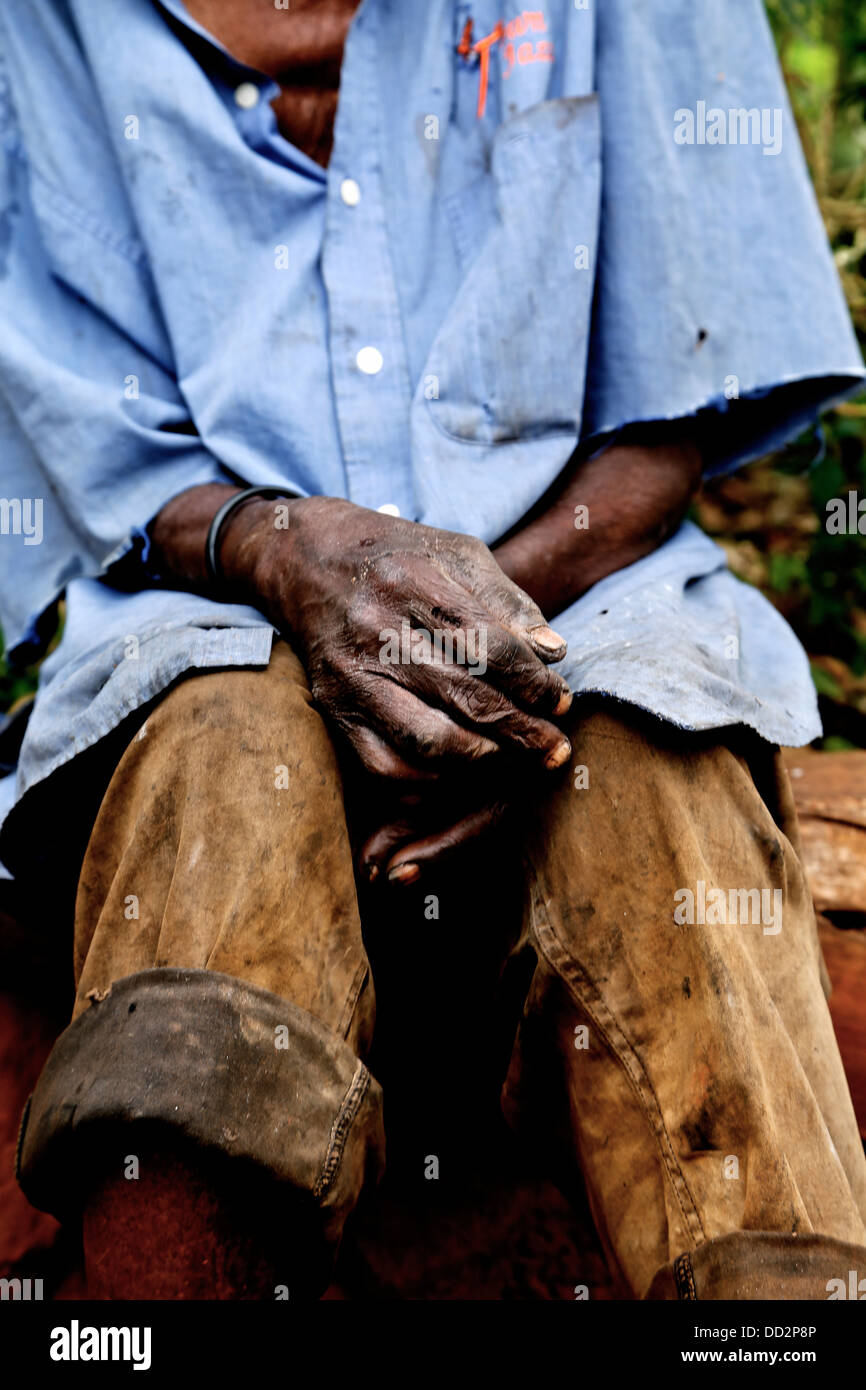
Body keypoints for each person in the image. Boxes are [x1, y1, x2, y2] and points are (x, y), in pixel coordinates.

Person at [1, 0, 865, 1300]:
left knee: (651, 784)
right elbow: (90, 449)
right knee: (219, 763)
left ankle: (775, 1302)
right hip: (211, 604)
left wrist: (454, 658)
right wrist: (288, 558)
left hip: (579, 609)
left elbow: (680, 402)